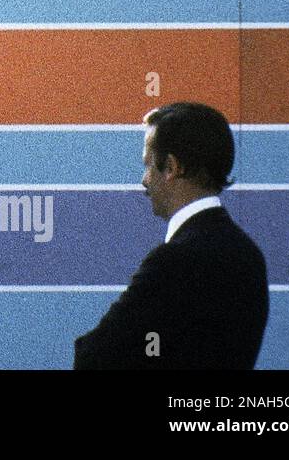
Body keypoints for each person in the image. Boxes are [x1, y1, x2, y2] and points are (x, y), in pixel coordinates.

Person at [74, 102, 270, 369]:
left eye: (148, 165)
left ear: (171, 167)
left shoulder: (173, 261)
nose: (144, 180)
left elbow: (94, 357)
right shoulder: (249, 256)